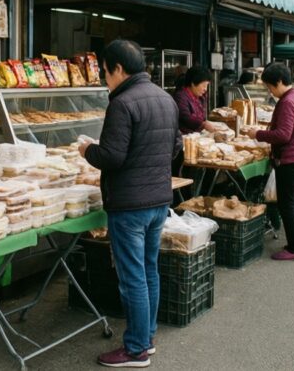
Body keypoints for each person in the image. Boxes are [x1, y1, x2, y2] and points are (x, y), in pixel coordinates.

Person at [80, 39, 181, 368]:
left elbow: (111, 157)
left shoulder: (122, 103)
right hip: (158, 200)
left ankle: (136, 348)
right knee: (148, 270)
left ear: (118, 69)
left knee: (132, 277)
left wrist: (86, 151)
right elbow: (176, 146)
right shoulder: (165, 98)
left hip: (129, 205)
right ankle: (146, 338)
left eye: (104, 71)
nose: (104, 78)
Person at [245, 63, 294, 260]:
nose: (270, 91)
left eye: (270, 86)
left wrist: (257, 133)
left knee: (287, 204)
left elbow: (283, 135)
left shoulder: (287, 102)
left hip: (291, 160)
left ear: (280, 82)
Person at [172, 66, 217, 135]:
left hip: (198, 135)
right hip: (185, 137)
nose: (205, 89)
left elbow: (203, 117)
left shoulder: (201, 97)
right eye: (204, 85)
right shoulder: (180, 97)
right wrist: (203, 124)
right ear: (193, 83)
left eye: (207, 86)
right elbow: (186, 117)